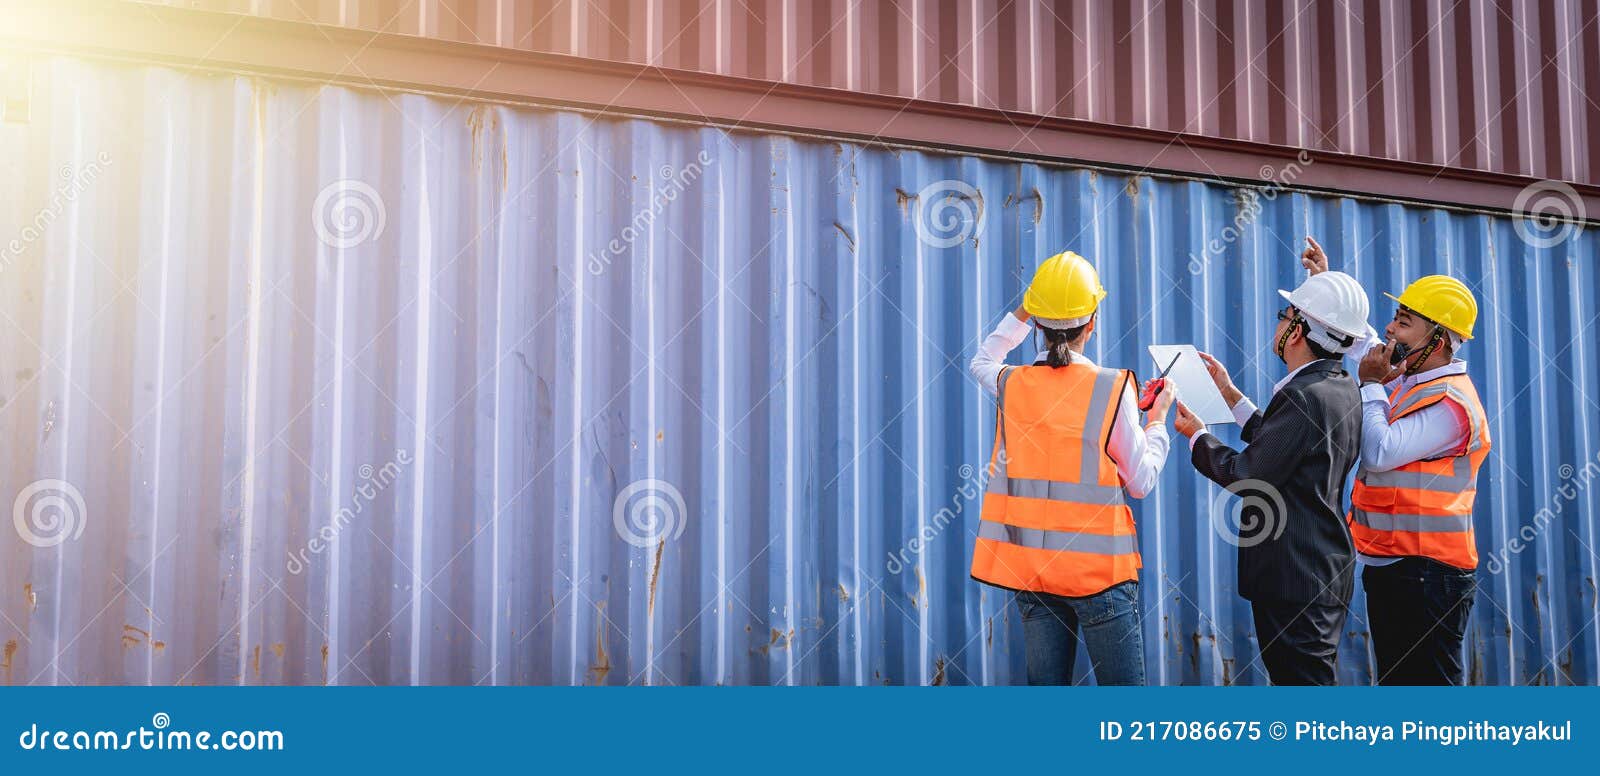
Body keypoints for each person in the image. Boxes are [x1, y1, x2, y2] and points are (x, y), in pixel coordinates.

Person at [968, 250, 1174, 686]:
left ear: (1038, 326)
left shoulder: (1013, 383)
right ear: (1093, 322)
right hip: (1100, 575)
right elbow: (1140, 481)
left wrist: (1029, 304)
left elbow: (982, 360)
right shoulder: (1112, 388)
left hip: (1036, 573)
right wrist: (1156, 424)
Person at [1301, 239, 1489, 685]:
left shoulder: (1452, 404)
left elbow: (1380, 450)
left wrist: (1370, 387)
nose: (1389, 330)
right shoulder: (1413, 376)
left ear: (1437, 340)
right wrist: (1323, 284)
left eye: (1403, 323)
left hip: (1430, 574)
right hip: (1396, 566)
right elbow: (1361, 340)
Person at [1170, 267, 1368, 686]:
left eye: (1285, 313)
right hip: (1317, 568)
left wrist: (1196, 436)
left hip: (1296, 576)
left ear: (1296, 331)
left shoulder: (1304, 396)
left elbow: (1250, 475)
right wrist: (1230, 395)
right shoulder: (1338, 386)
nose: (1278, 322)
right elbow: (1284, 447)